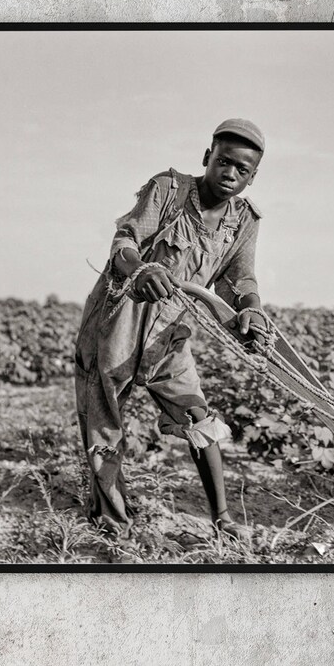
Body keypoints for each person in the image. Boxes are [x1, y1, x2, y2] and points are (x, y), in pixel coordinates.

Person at [74, 118, 267, 537]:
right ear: (207, 158)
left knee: (198, 415)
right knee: (104, 419)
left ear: (253, 177)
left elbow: (240, 280)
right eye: (223, 162)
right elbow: (123, 242)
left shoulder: (245, 221)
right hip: (120, 313)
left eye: (242, 170)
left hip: (171, 328)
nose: (230, 174)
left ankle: (222, 519)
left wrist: (251, 309)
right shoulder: (168, 189)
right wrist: (140, 268)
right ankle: (112, 522)